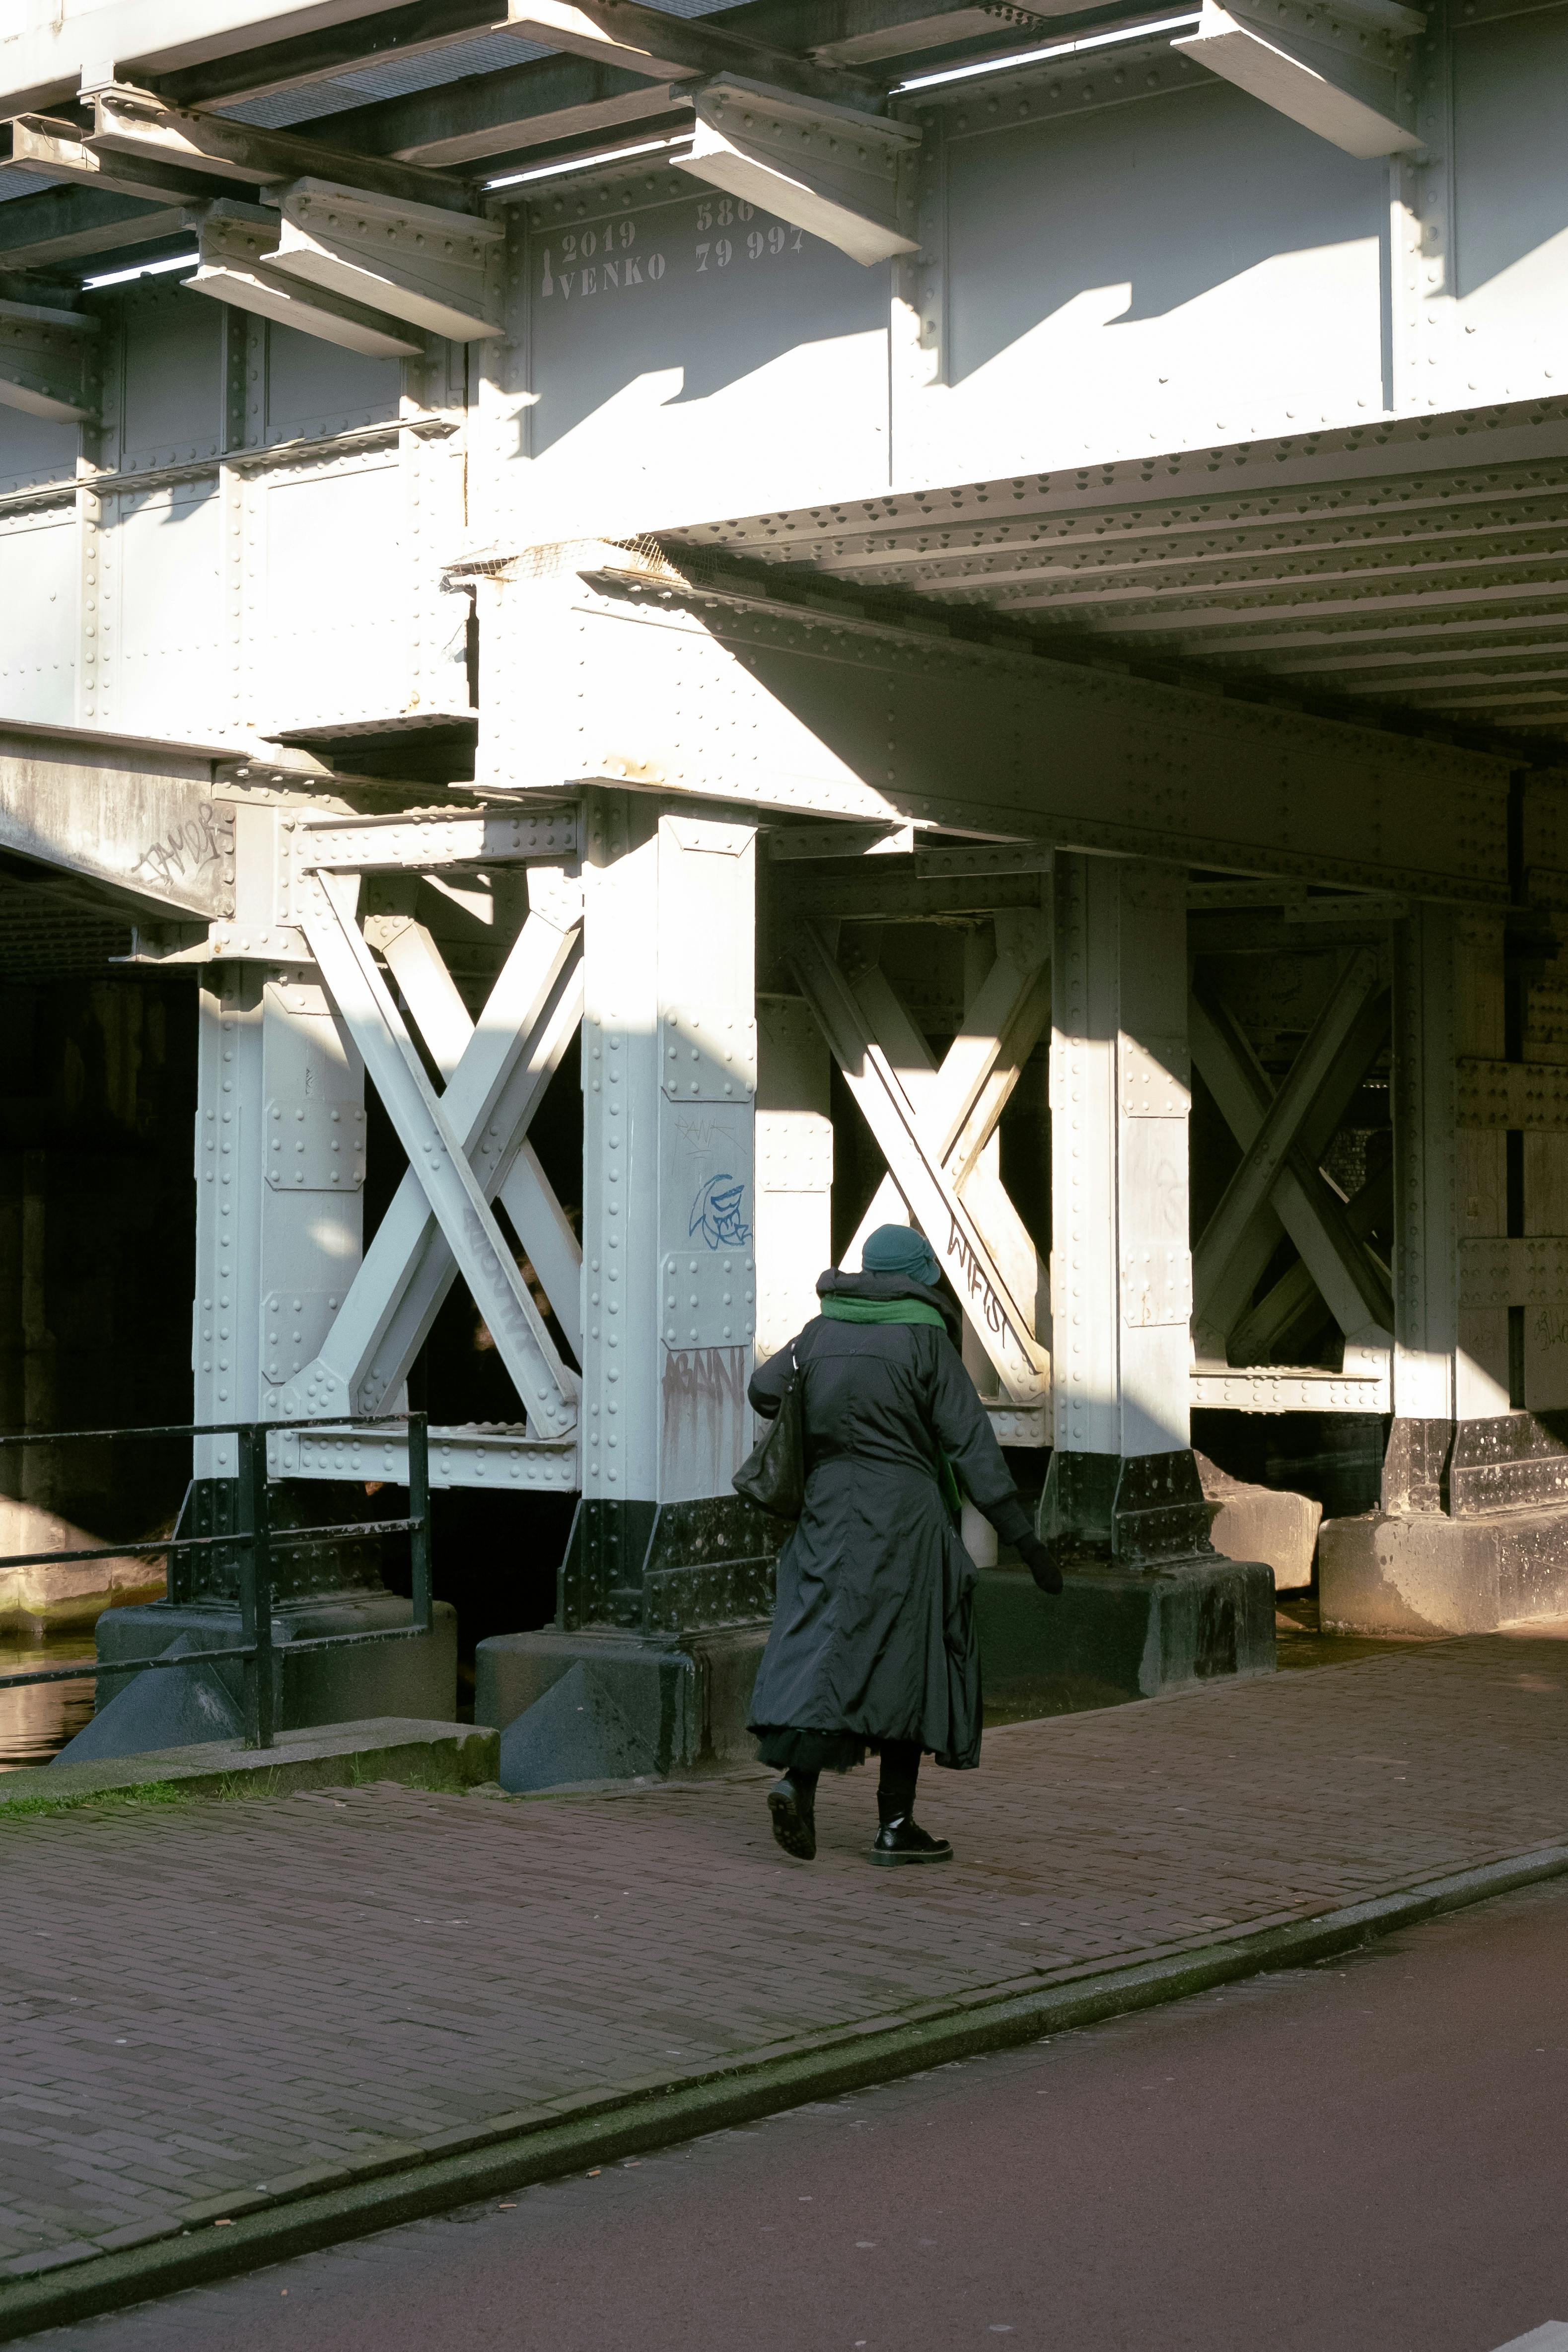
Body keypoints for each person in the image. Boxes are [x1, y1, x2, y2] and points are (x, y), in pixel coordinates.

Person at [746, 1222, 1062, 1868]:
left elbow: (762, 1389)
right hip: (904, 1518)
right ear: (919, 1275)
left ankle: (797, 1782)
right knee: (907, 1660)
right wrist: (1026, 1542)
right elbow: (971, 1446)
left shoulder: (821, 1330)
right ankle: (894, 1826)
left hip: (826, 1512)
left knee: (825, 1645)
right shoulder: (925, 1337)